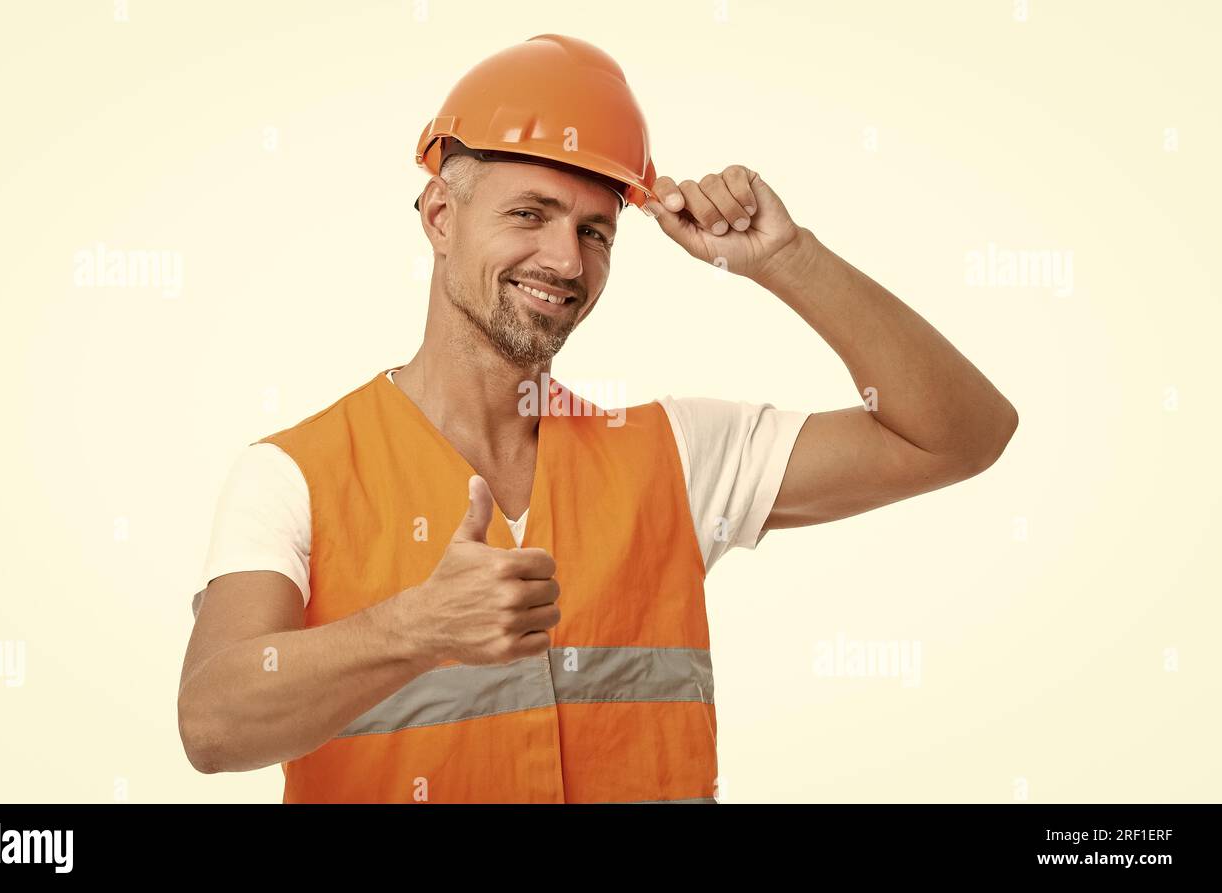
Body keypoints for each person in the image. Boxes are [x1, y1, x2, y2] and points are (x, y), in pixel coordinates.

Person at [177, 34, 1017, 803]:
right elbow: (212, 725)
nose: (565, 259)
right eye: (528, 213)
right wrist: (415, 626)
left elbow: (961, 434)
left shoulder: (677, 455)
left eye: (596, 231)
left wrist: (786, 260)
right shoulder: (292, 474)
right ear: (440, 216)